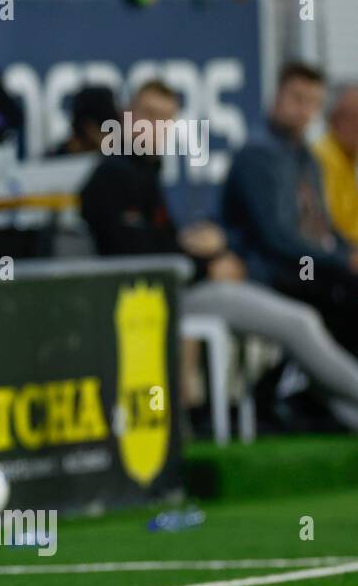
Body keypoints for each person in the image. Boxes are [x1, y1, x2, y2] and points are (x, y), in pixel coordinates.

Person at [79, 80, 358, 429]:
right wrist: (206, 262)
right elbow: (137, 254)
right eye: (147, 115)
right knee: (300, 323)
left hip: (184, 285)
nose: (154, 127)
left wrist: (203, 247)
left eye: (165, 118)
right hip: (156, 296)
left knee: (306, 326)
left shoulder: (145, 171)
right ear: (125, 116)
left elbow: (160, 242)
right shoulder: (112, 175)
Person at [222, 62, 358, 355]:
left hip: (312, 270)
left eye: (313, 102)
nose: (304, 110)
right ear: (277, 97)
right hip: (275, 274)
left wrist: (348, 252)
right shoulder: (258, 154)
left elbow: (323, 225)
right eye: (297, 98)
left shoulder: (306, 156)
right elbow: (279, 237)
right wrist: (341, 261)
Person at [313, 85, 358, 245]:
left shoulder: (348, 157)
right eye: (353, 118)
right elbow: (330, 224)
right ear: (334, 119)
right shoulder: (323, 158)